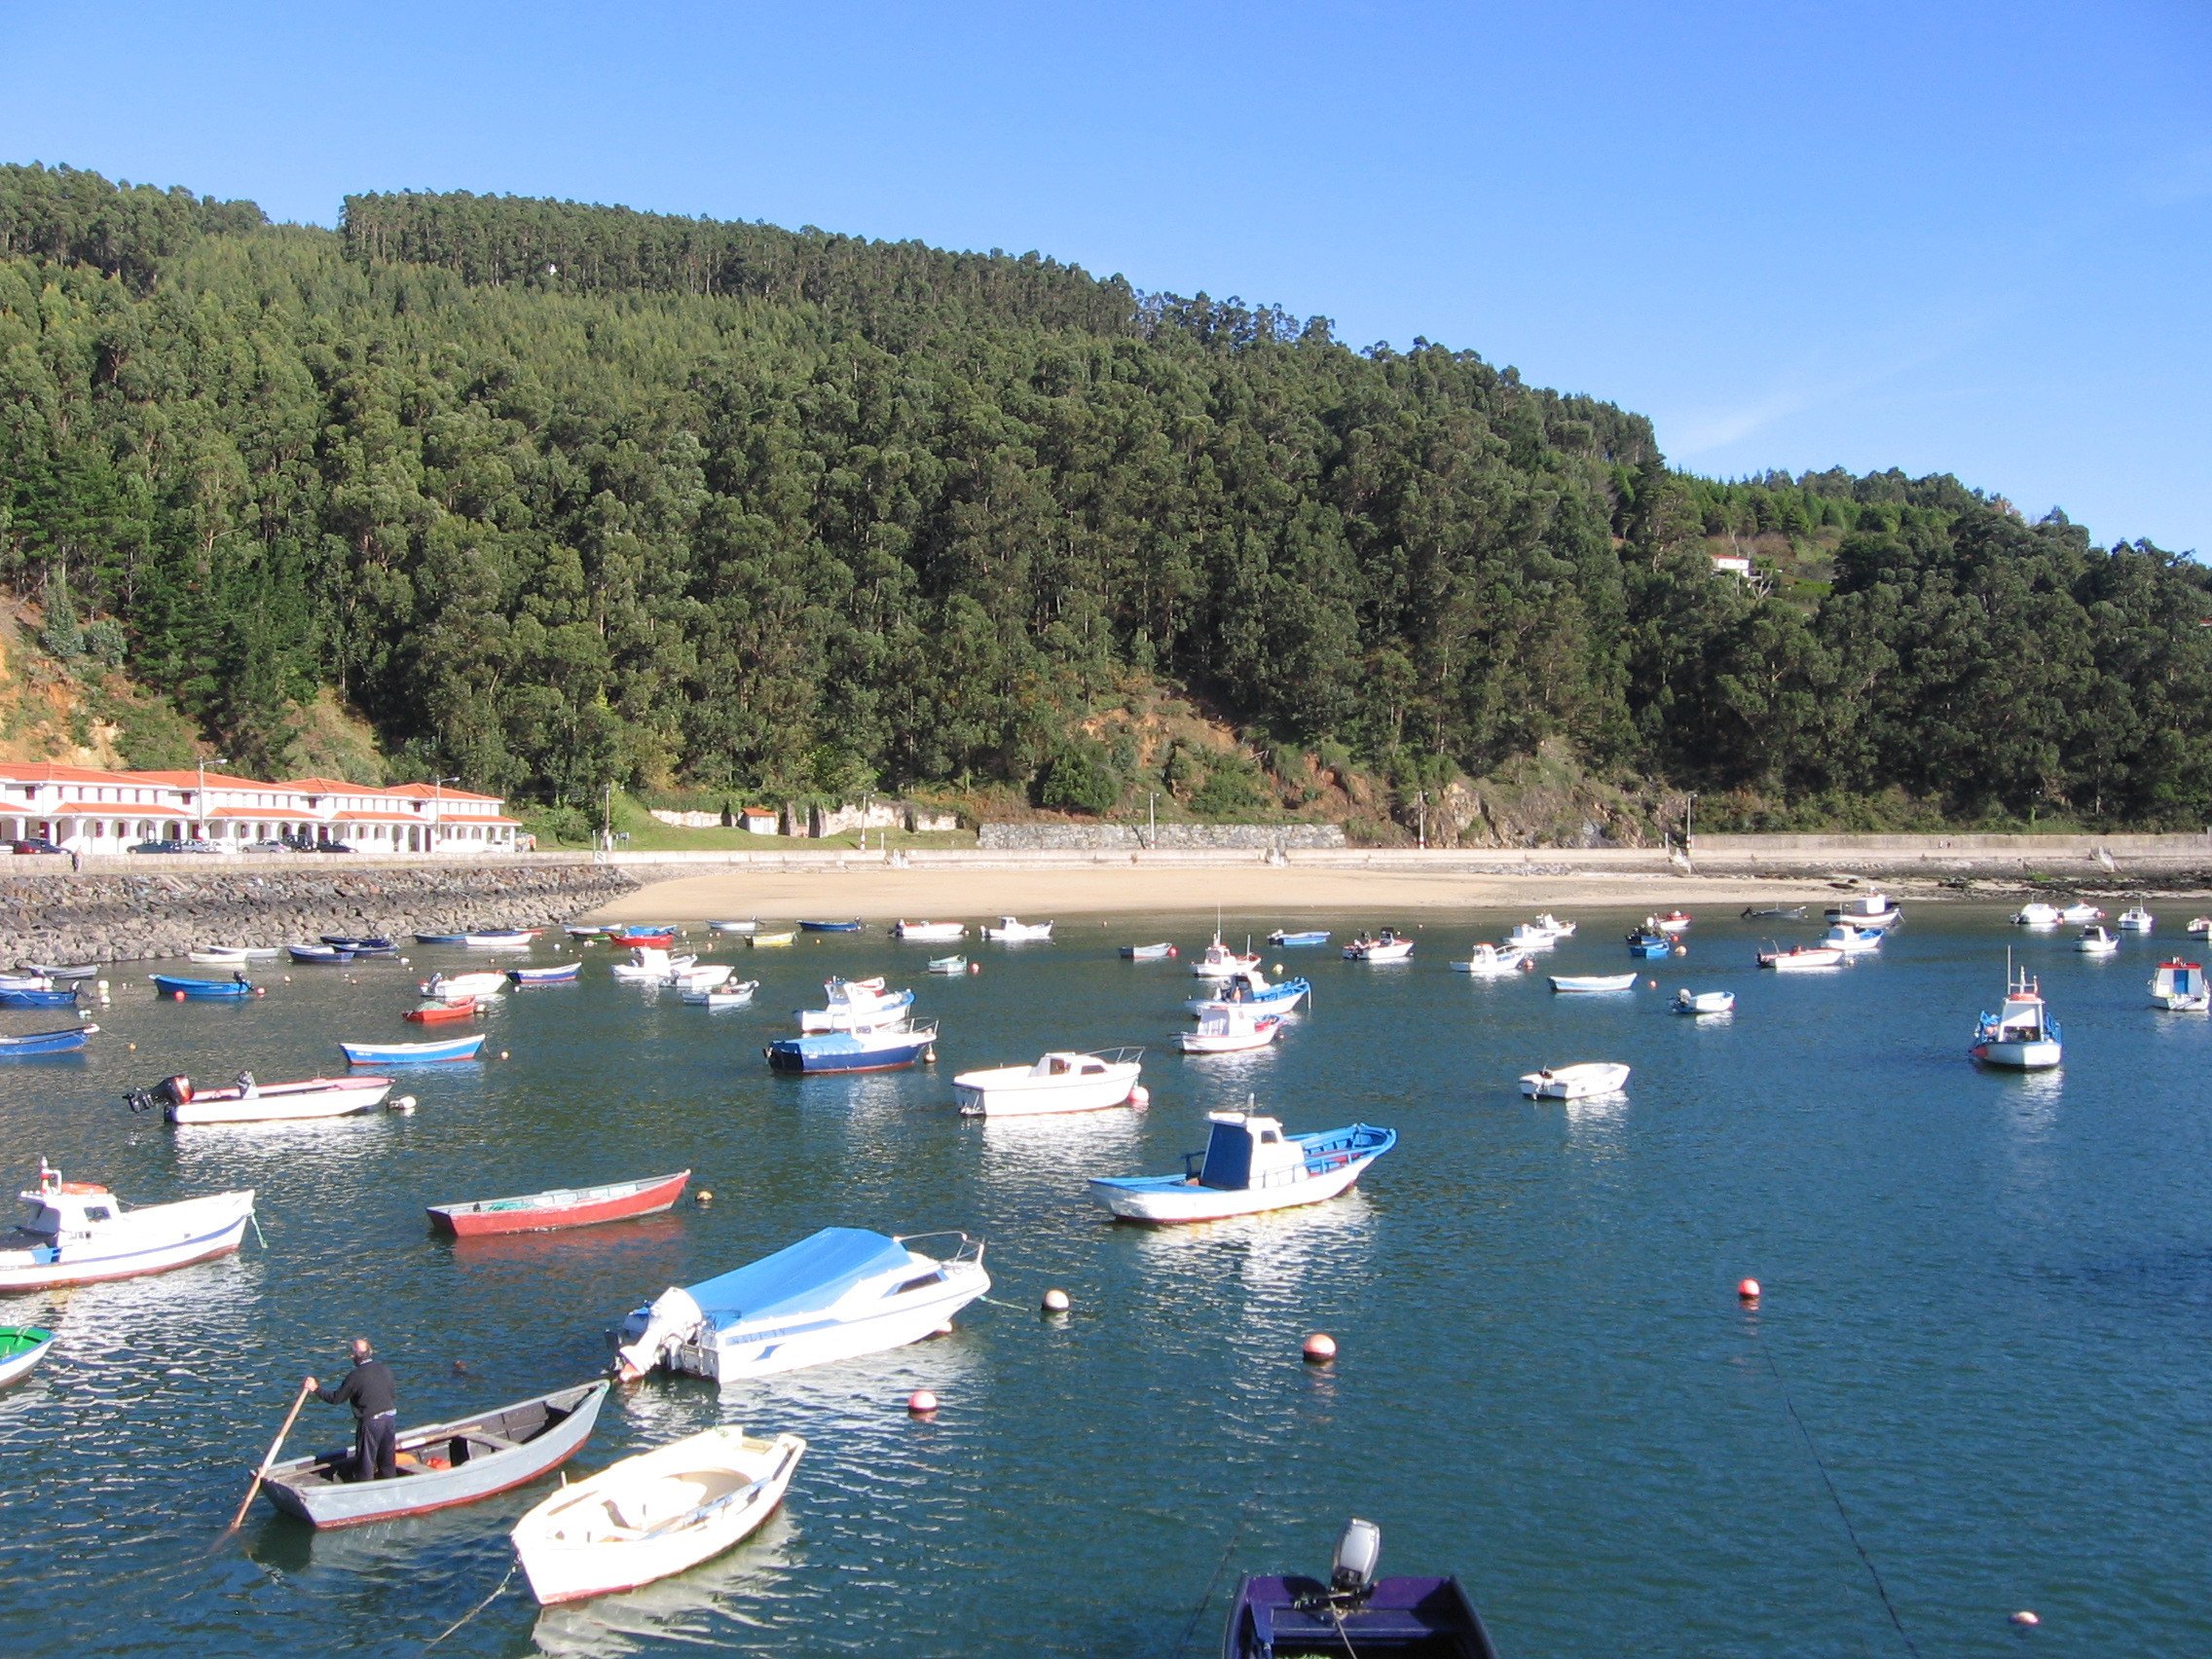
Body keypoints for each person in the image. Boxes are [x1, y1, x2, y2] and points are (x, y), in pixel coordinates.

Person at [305, 1338, 398, 1483]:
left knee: (365, 1463)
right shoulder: (385, 1369)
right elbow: (392, 1394)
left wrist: (316, 1389)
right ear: (370, 1352)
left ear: (353, 1357)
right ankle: (391, 1484)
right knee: (387, 1461)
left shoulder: (355, 1376)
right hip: (389, 1418)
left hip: (372, 1422)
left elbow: (336, 1398)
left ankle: (365, 1487)